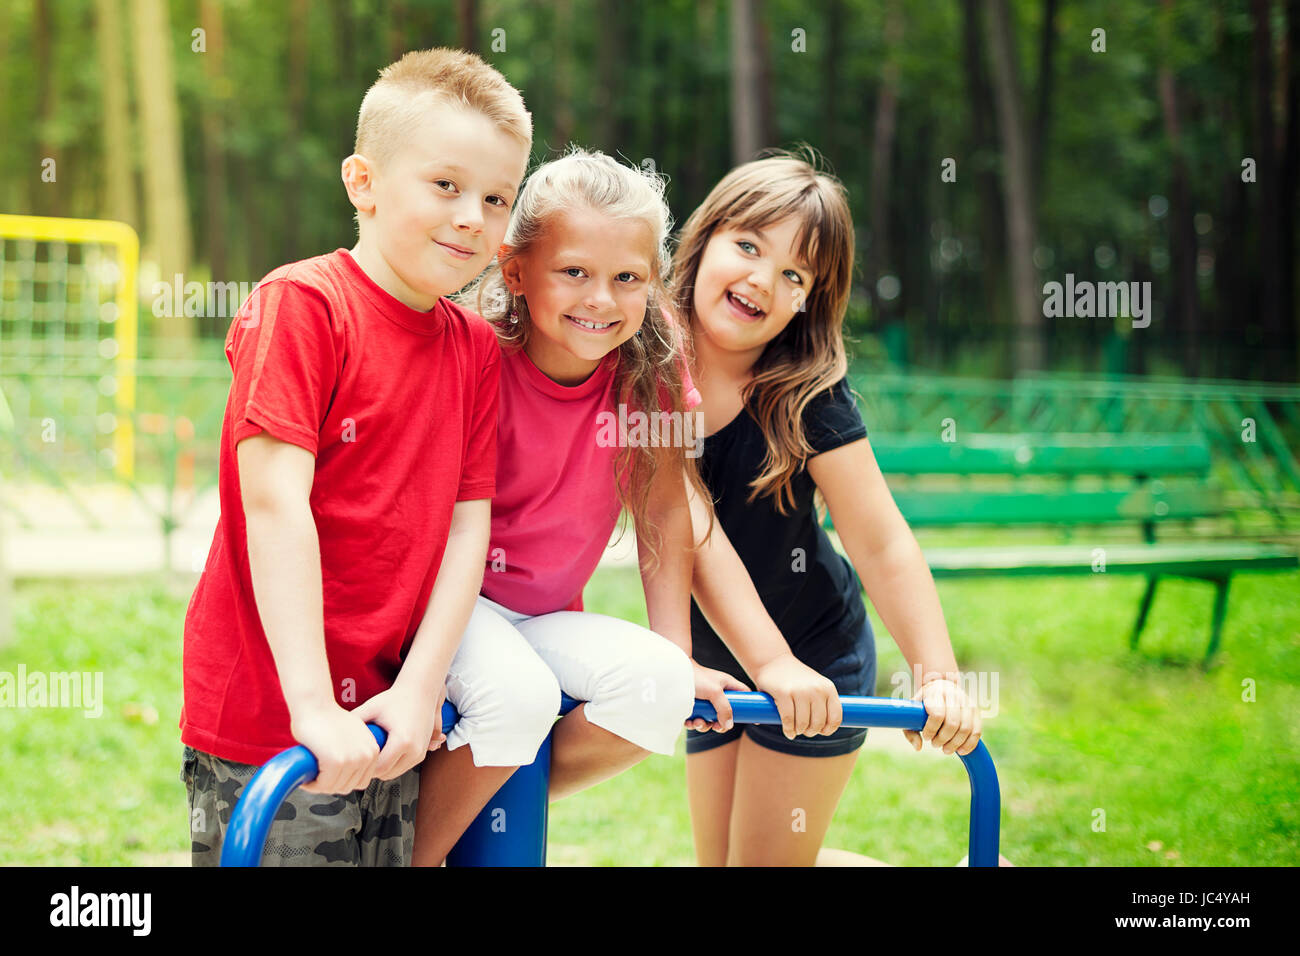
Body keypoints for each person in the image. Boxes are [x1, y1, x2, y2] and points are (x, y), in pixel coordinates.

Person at [179, 47, 533, 866]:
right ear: (363, 183)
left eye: (495, 197)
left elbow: (465, 529)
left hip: (387, 708)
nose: (473, 216)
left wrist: (419, 687)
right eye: (446, 185)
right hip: (273, 711)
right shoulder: (303, 306)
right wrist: (311, 704)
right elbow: (274, 505)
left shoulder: (474, 349)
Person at [410, 148, 748, 866]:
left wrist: (677, 653)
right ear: (514, 271)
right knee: (515, 695)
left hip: (546, 615)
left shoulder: (652, 368)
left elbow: (662, 512)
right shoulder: (475, 357)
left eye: (627, 278)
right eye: (574, 273)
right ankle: (417, 855)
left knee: (658, 687)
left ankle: (487, 779)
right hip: (452, 602)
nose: (601, 299)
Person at [670, 149, 983, 866]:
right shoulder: (644, 362)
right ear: (705, 237)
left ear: (808, 299)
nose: (761, 279)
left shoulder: (803, 395)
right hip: (716, 658)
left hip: (813, 654)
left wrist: (936, 673)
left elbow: (879, 542)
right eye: (747, 245)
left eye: (793, 275)